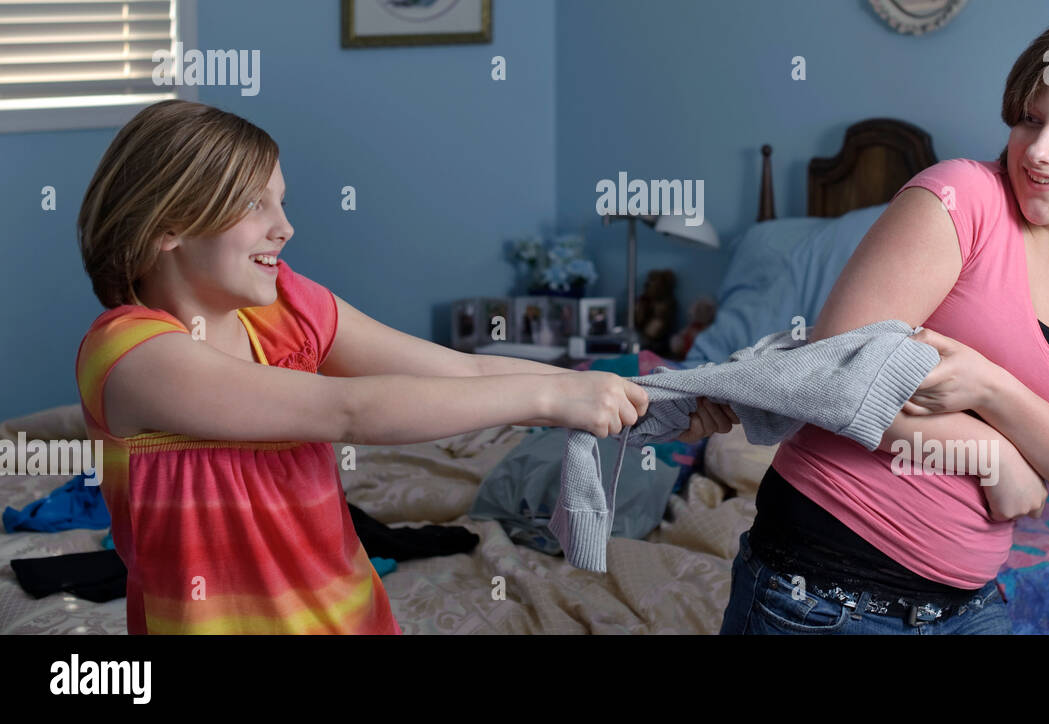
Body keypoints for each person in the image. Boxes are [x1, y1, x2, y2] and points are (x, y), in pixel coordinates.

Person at [74, 100, 653, 634]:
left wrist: (616, 391)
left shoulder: (290, 307)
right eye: (255, 203)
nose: (285, 226)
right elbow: (347, 411)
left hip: (353, 619)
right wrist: (550, 401)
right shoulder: (133, 355)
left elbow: (458, 372)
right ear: (168, 224)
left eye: (282, 200)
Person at [717, 8, 1049, 634]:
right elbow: (830, 376)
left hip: (966, 608)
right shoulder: (959, 200)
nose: (1039, 150)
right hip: (819, 593)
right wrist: (994, 456)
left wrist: (993, 389)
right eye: (1031, 118)